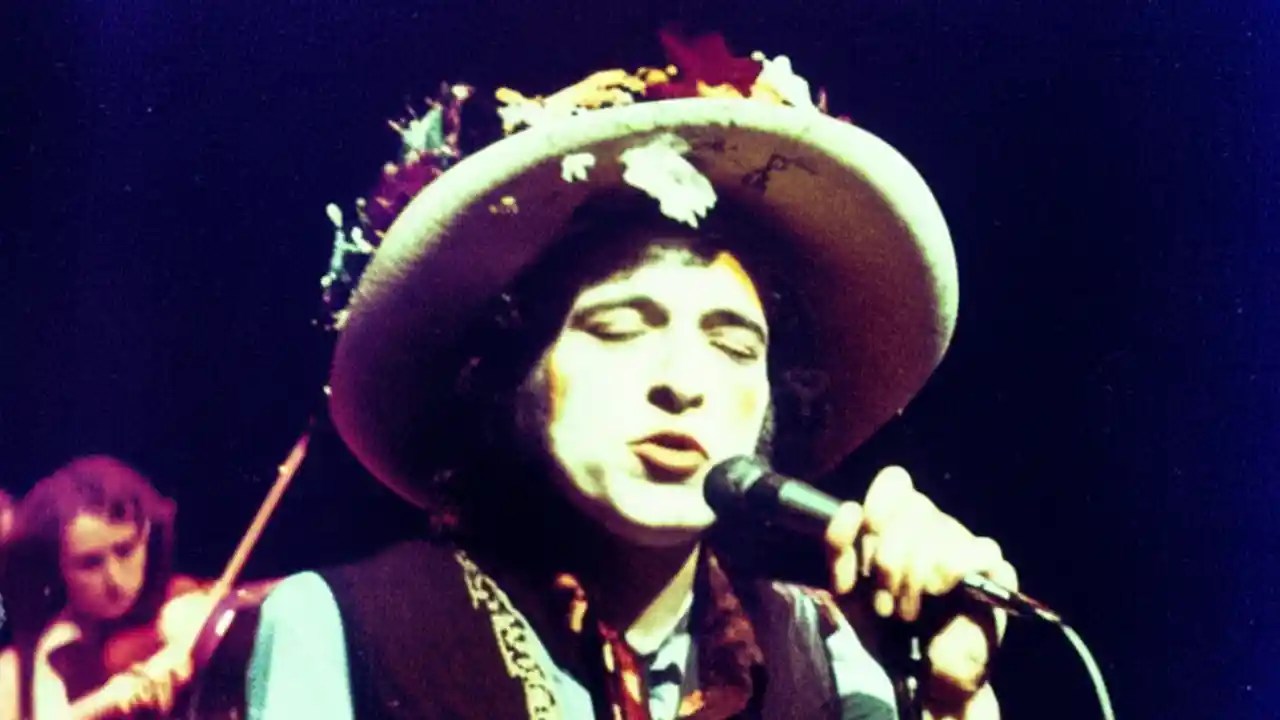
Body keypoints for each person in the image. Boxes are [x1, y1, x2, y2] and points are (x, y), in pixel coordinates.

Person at [247, 31, 1018, 720]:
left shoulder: (831, 656)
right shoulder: (341, 631)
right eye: (618, 328)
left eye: (733, 344)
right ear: (516, 375)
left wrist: (952, 705)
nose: (682, 382)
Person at [0, 456, 217, 720]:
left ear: (146, 533)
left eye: (126, 550)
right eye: (89, 564)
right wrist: (108, 699)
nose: (115, 580)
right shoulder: (48, 653)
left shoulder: (179, 600)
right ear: (59, 568)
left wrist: (180, 644)